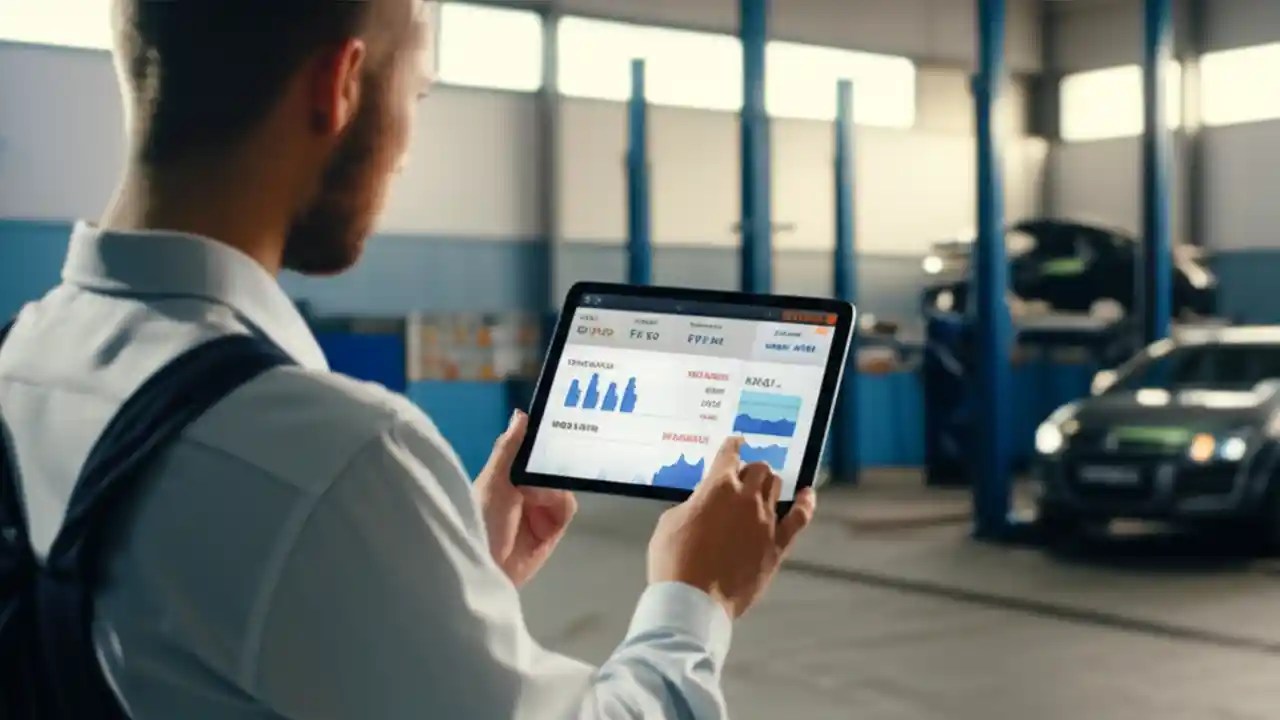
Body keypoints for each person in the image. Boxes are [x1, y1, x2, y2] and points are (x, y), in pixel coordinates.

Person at [0, 1, 817, 717]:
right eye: (416, 93)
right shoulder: (333, 454)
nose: (406, 145)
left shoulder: (27, 356)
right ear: (341, 85)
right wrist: (694, 595)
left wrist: (441, 567)